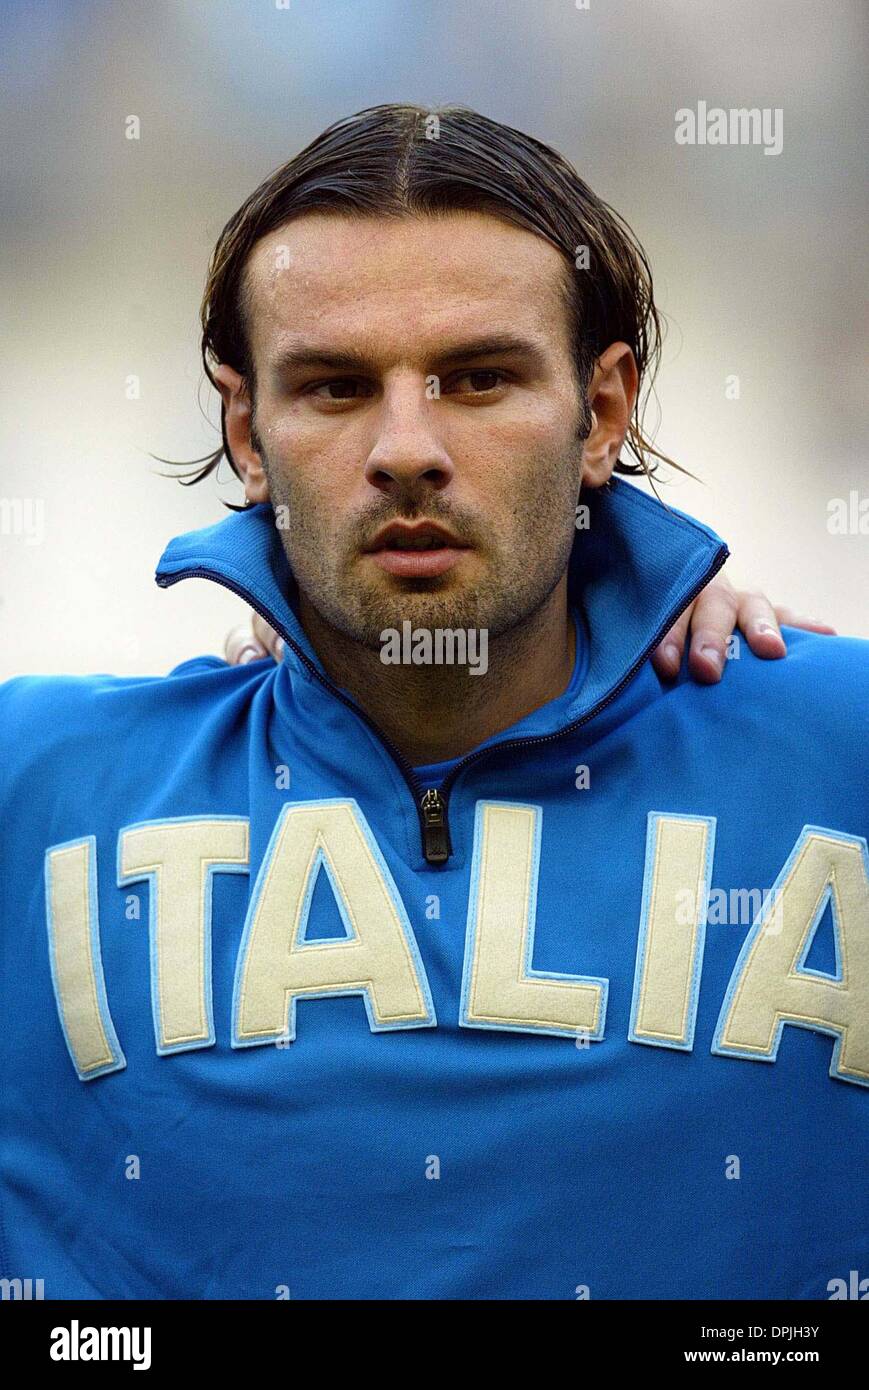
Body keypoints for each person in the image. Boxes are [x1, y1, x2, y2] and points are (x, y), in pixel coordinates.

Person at [1, 104, 865, 1301]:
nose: (406, 447)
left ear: (601, 412)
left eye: (477, 378)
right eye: (336, 387)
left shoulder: (838, 758)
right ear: (247, 430)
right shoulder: (36, 789)